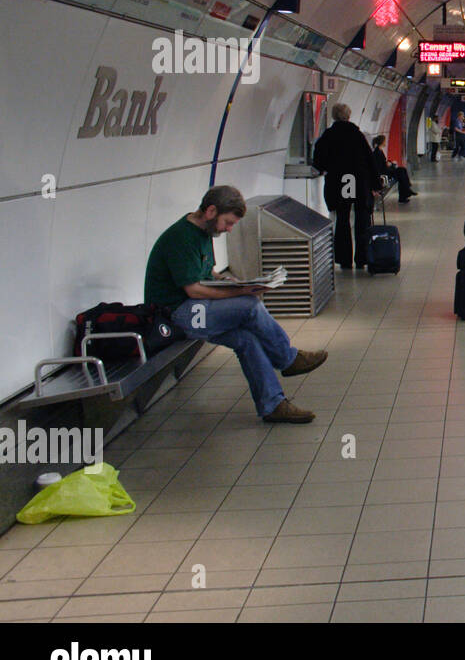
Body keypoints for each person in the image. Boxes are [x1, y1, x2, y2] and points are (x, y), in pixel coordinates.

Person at [144, 186, 323, 423]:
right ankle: (287, 359)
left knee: (246, 340)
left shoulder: (203, 233)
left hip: (192, 307)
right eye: (227, 223)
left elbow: (208, 272)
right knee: (249, 305)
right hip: (175, 315)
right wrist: (238, 292)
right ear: (210, 211)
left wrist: (226, 281)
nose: (228, 230)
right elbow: (194, 290)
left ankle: (273, 405)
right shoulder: (181, 238)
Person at [312, 103, 382, 269]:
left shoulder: (328, 135)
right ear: (349, 116)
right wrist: (376, 184)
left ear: (334, 116)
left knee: (342, 220)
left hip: (339, 182)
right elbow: (370, 161)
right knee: (362, 220)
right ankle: (362, 257)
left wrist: (326, 168)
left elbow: (319, 160)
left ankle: (344, 259)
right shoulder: (357, 135)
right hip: (359, 182)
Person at [371, 134, 417, 203]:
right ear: (381, 142)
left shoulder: (379, 151)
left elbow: (383, 162)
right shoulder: (377, 153)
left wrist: (389, 163)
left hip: (386, 170)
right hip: (384, 173)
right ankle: (405, 193)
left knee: (402, 170)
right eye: (384, 141)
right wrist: (388, 164)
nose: (385, 142)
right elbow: (379, 166)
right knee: (401, 173)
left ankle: (405, 193)